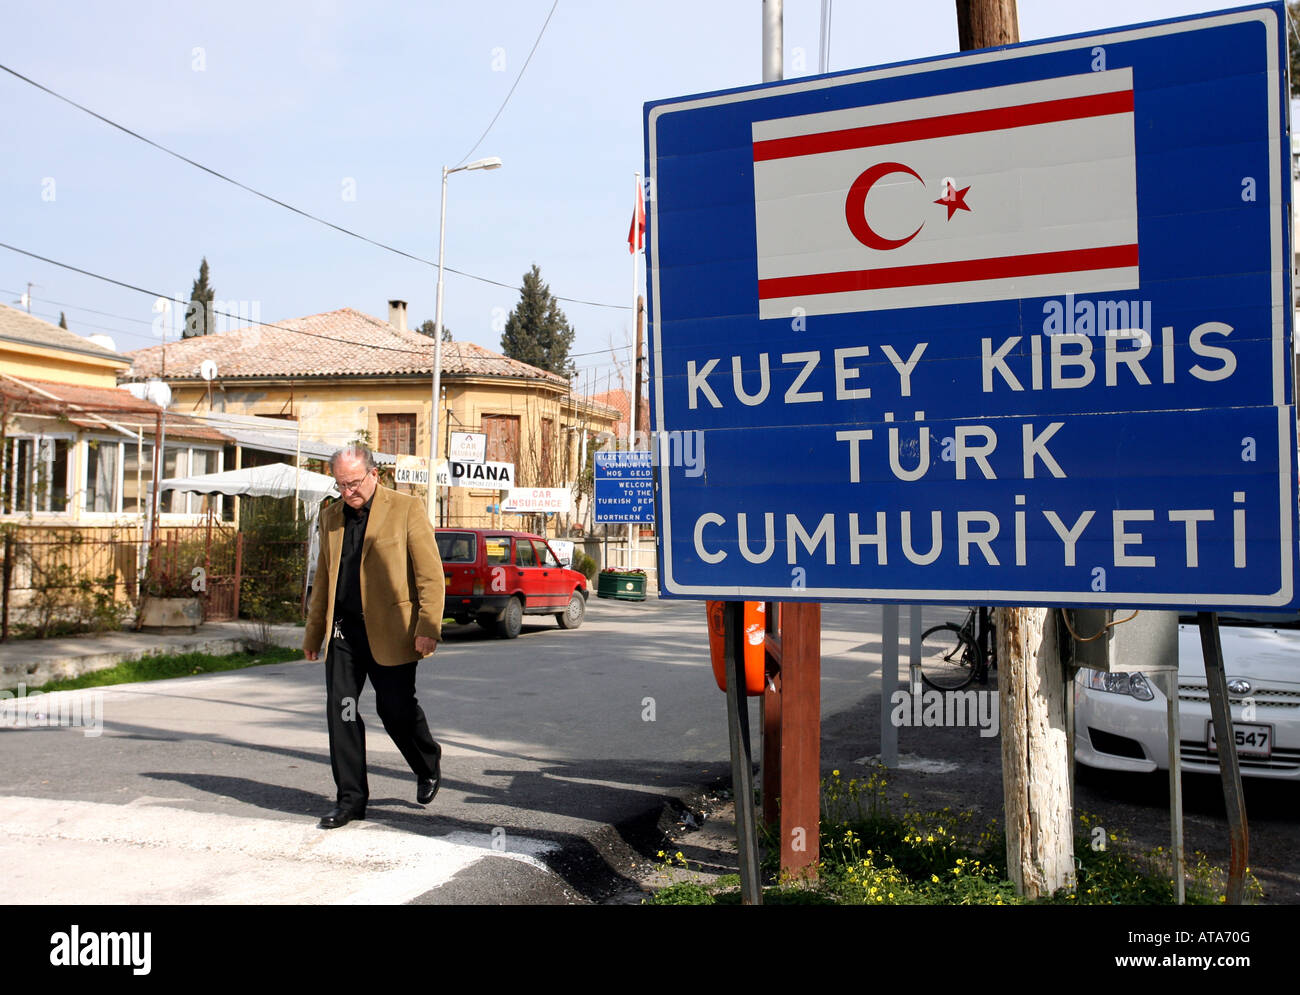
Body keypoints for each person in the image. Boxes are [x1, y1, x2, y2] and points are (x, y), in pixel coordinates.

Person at [303, 445, 445, 829]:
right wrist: (314, 632)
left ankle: (426, 759)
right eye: (341, 484)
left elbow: (430, 575)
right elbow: (324, 578)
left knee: (395, 711)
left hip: (392, 631)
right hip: (344, 634)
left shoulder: (406, 509)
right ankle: (351, 799)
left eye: (354, 483)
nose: (348, 492)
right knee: (342, 710)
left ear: (373, 475)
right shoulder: (330, 516)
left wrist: (428, 627)